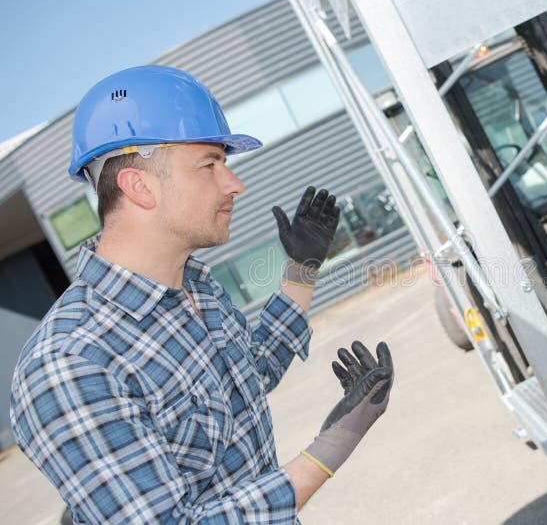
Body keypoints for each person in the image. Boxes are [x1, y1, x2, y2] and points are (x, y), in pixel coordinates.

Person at [9, 65, 394, 524]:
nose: (234, 184)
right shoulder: (70, 365)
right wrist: (330, 447)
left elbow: (250, 374)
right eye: (210, 164)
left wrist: (301, 271)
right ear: (139, 185)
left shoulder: (197, 288)